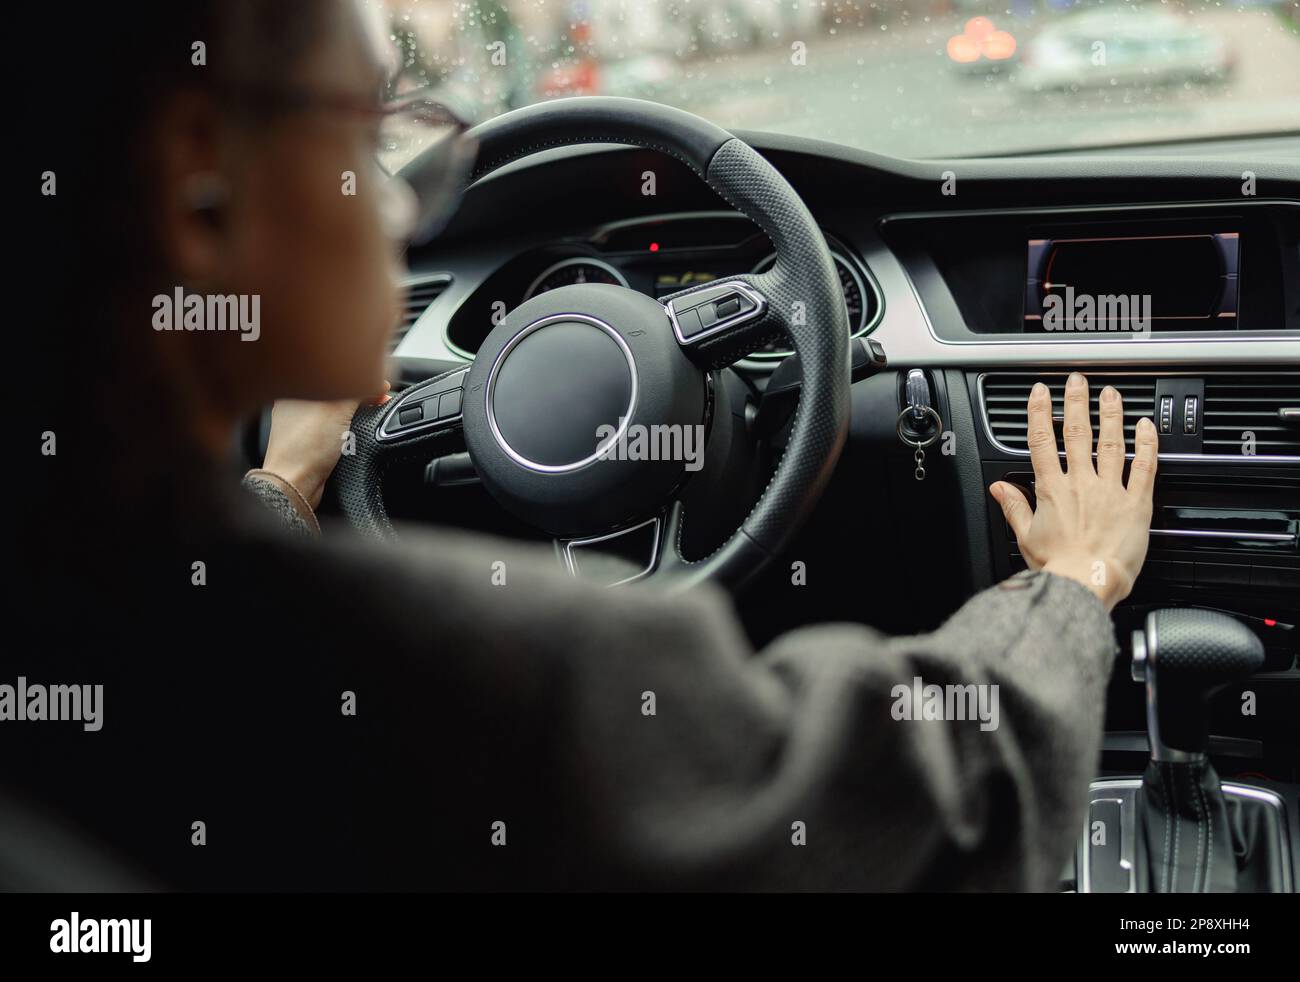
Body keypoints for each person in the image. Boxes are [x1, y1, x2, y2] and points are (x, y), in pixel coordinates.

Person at [12, 0, 1156, 891]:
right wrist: (1070, 582)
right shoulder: (517, 682)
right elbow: (935, 816)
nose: (407, 205)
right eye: (372, 134)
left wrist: (281, 481)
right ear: (199, 190)